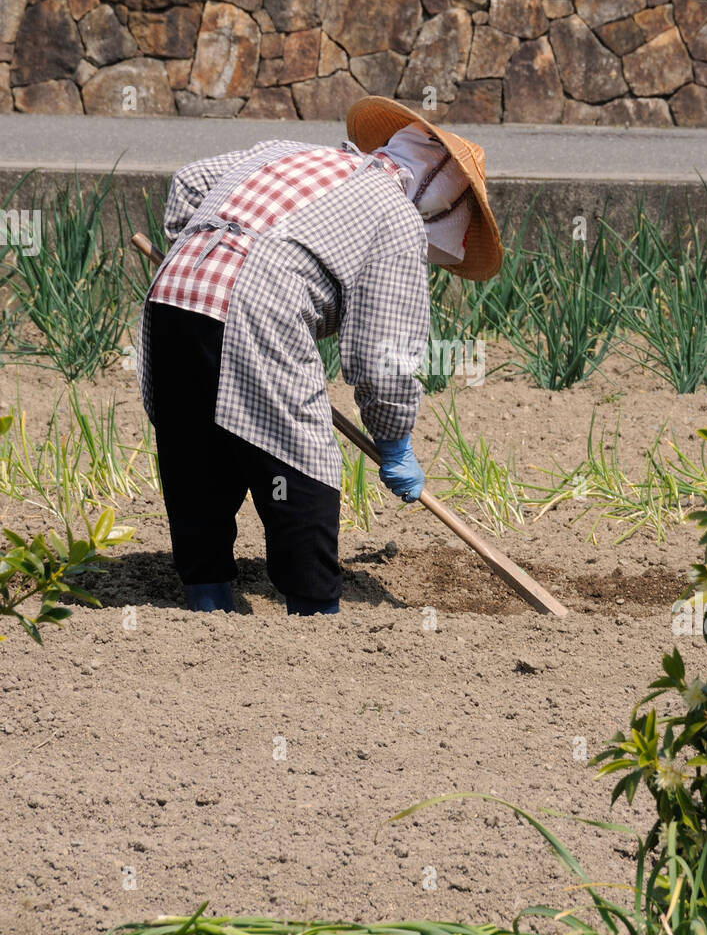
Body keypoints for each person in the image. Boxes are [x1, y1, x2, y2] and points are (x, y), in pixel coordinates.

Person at [136, 96, 502, 616]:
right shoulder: (395, 215)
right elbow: (386, 349)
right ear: (441, 205)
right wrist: (394, 439)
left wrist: (194, 248)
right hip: (258, 309)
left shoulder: (289, 153)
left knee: (195, 449)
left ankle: (207, 595)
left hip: (175, 293)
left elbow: (191, 181)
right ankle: (313, 611)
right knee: (296, 460)